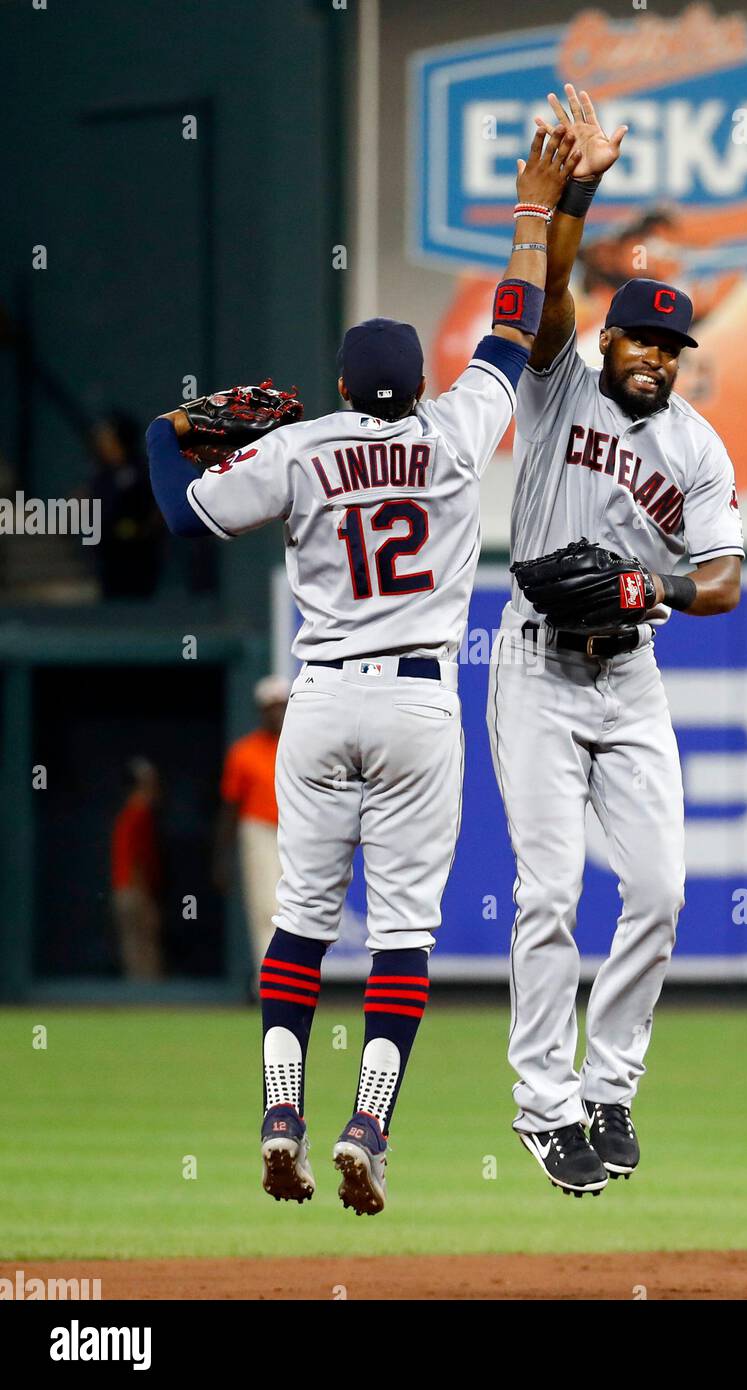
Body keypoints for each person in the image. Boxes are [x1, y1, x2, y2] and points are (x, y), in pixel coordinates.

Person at [146, 126, 579, 1215]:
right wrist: (534, 211)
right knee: (401, 937)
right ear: (420, 380)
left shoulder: (300, 447)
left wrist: (169, 430)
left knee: (298, 920)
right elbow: (515, 325)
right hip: (420, 704)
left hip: (321, 693)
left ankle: (280, 1108)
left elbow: (181, 516)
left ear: (340, 383)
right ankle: (367, 1128)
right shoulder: (456, 427)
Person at [487, 87, 745, 1196]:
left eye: (669, 342)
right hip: (536, 667)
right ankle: (544, 1106)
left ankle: (609, 1088)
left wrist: (650, 583)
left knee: (660, 890)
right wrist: (576, 188)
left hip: (629, 674)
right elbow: (545, 289)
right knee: (547, 895)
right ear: (610, 335)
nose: (653, 353)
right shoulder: (555, 387)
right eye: (639, 334)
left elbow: (725, 581)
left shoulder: (695, 446)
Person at [215, 675, 289, 981]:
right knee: (265, 909)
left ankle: (299, 984)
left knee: (297, 909)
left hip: (298, 830)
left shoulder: (303, 745)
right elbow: (230, 807)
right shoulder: (244, 751)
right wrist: (222, 856)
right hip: (258, 830)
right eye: (270, 707)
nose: (277, 713)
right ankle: (270, 985)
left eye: (282, 706)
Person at [86, 412, 163, 598]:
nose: (102, 442)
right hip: (108, 558)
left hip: (139, 558)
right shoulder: (101, 475)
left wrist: (143, 530)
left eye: (108, 437)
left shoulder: (142, 470)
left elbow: (156, 512)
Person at [110, 758, 164, 979]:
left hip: (127, 888)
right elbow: (138, 860)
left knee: (137, 945)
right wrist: (145, 896)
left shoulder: (132, 812)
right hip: (134, 889)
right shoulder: (138, 812)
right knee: (141, 947)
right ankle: (145, 1001)